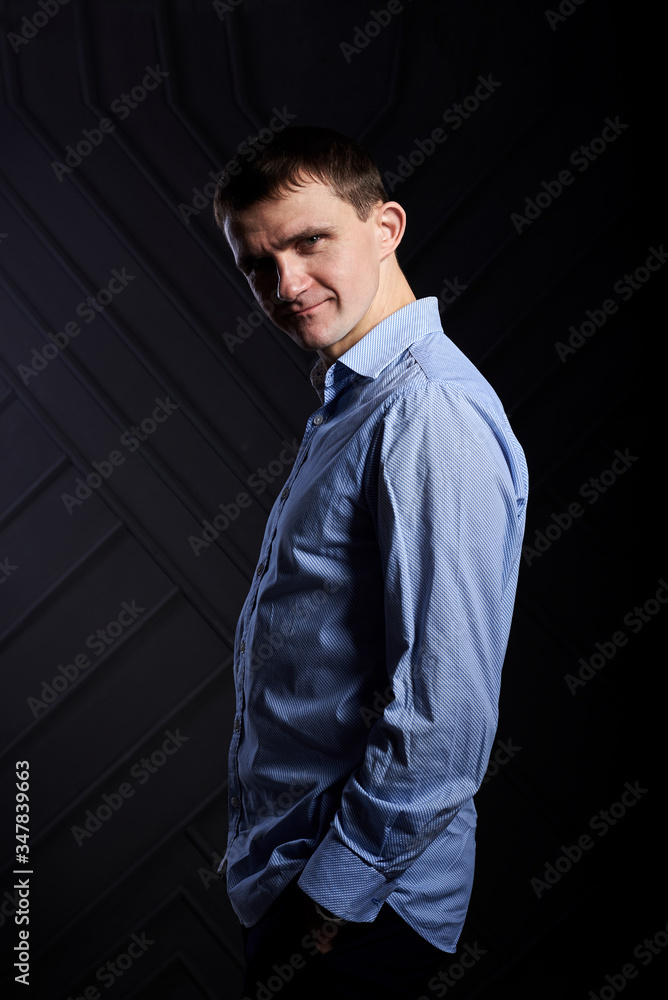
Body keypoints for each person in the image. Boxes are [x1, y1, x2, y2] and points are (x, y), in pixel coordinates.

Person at [212, 125, 528, 999]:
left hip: (356, 906)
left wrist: (333, 900)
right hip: (302, 884)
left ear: (385, 228)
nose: (287, 285)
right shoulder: (358, 400)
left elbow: (446, 710)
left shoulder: (425, 411)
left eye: (310, 241)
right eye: (258, 263)